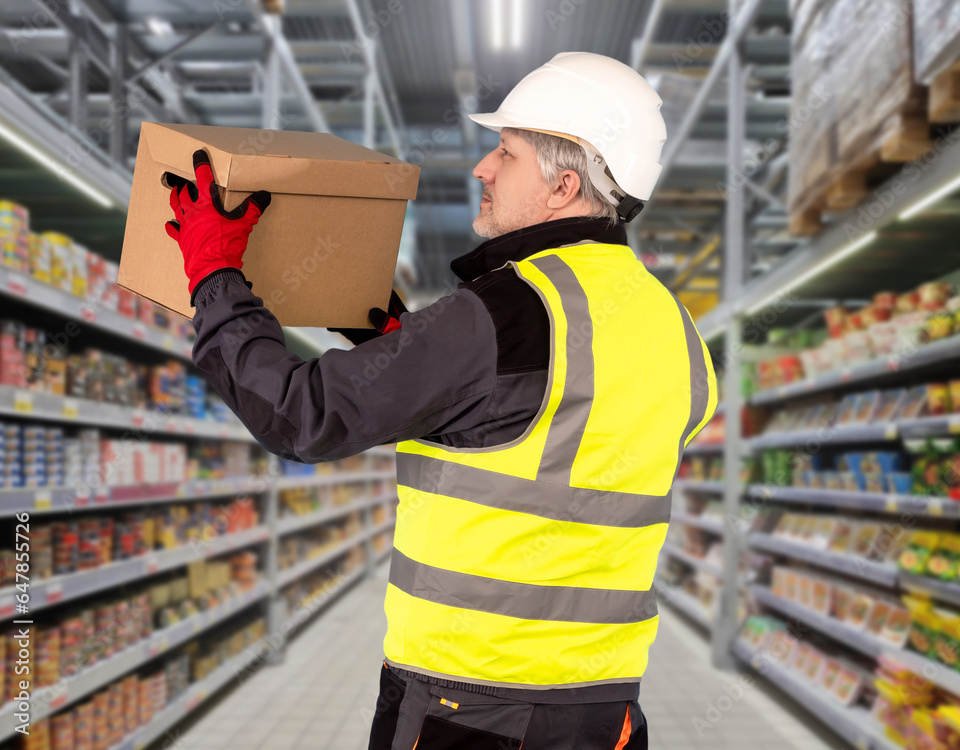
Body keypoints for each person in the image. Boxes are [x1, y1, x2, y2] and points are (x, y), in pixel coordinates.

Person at [163, 51, 717, 750]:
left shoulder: (509, 309)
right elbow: (540, 431)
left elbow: (300, 415)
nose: (483, 168)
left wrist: (214, 276)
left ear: (563, 185)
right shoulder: (677, 330)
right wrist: (402, 345)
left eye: (505, 154)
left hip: (472, 712)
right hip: (605, 715)